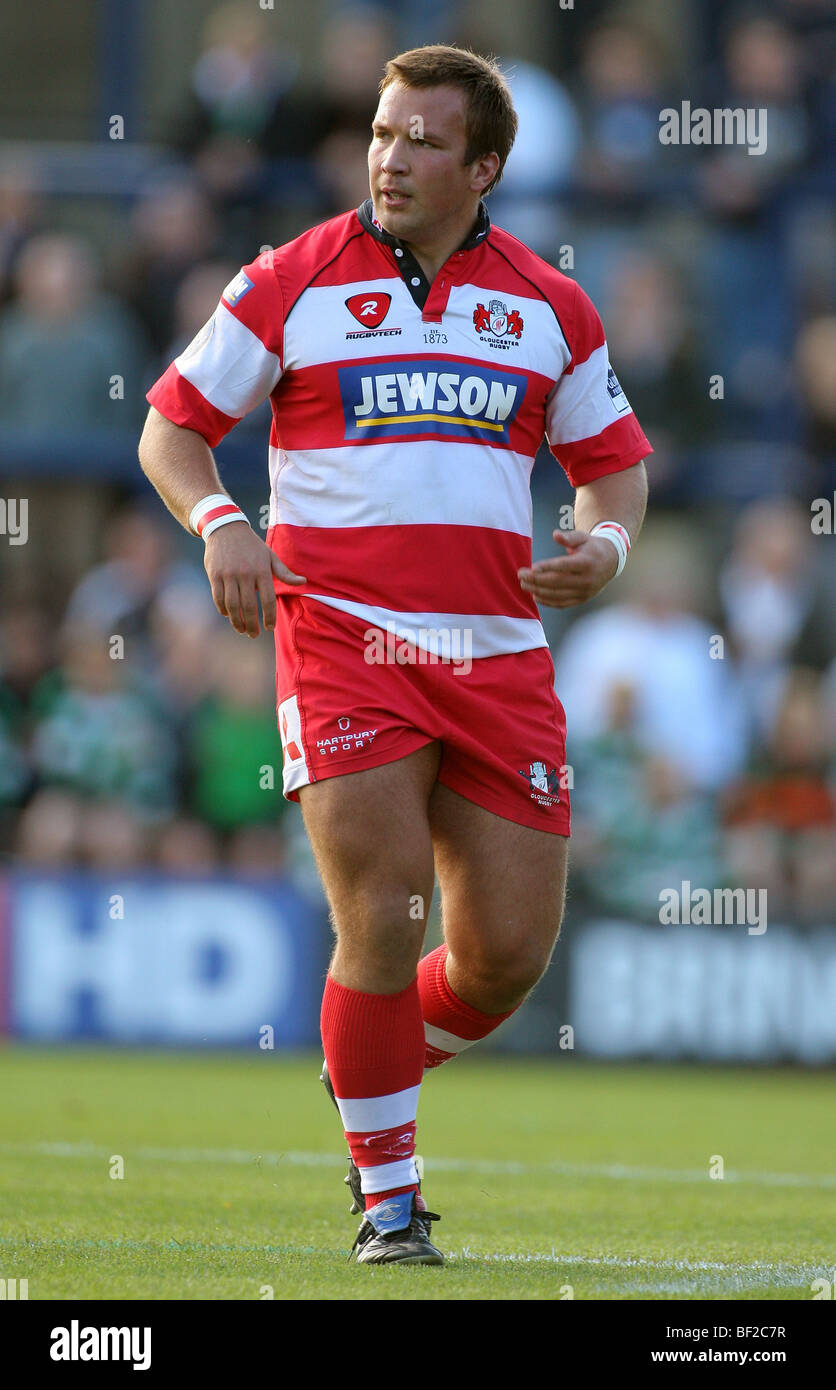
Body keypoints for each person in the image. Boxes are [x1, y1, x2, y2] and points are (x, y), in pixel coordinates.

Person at [138, 44, 651, 1266]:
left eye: (422, 140)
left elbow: (612, 465)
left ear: (483, 168)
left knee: (502, 961)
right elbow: (172, 427)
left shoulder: (550, 304)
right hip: (344, 640)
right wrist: (220, 523)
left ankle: (361, 1058)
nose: (390, 157)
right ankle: (388, 1201)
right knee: (379, 909)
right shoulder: (290, 277)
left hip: (498, 654)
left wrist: (610, 547)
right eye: (381, 133)